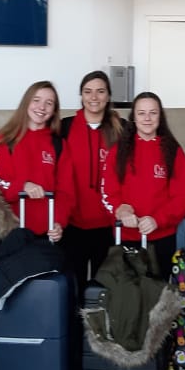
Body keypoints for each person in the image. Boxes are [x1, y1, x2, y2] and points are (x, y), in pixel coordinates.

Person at [102, 91, 185, 278]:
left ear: (160, 116)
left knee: (159, 295)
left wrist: (157, 220)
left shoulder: (173, 152)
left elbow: (181, 200)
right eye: (142, 113)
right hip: (126, 237)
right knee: (129, 297)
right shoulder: (119, 151)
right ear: (134, 117)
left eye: (153, 113)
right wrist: (121, 210)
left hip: (162, 238)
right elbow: (108, 192)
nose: (147, 118)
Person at [58, 70, 124, 286]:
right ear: (81, 95)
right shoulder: (64, 127)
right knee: (72, 286)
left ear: (108, 96)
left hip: (108, 224)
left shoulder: (122, 128)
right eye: (88, 92)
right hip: (72, 224)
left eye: (100, 91)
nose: (94, 97)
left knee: (103, 288)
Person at [0, 81, 68, 242]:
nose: (42, 107)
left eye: (49, 103)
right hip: (12, 231)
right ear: (27, 102)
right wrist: (22, 186)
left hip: (46, 233)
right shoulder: (5, 139)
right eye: (36, 100)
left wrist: (59, 222)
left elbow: (66, 191)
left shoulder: (58, 144)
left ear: (54, 110)